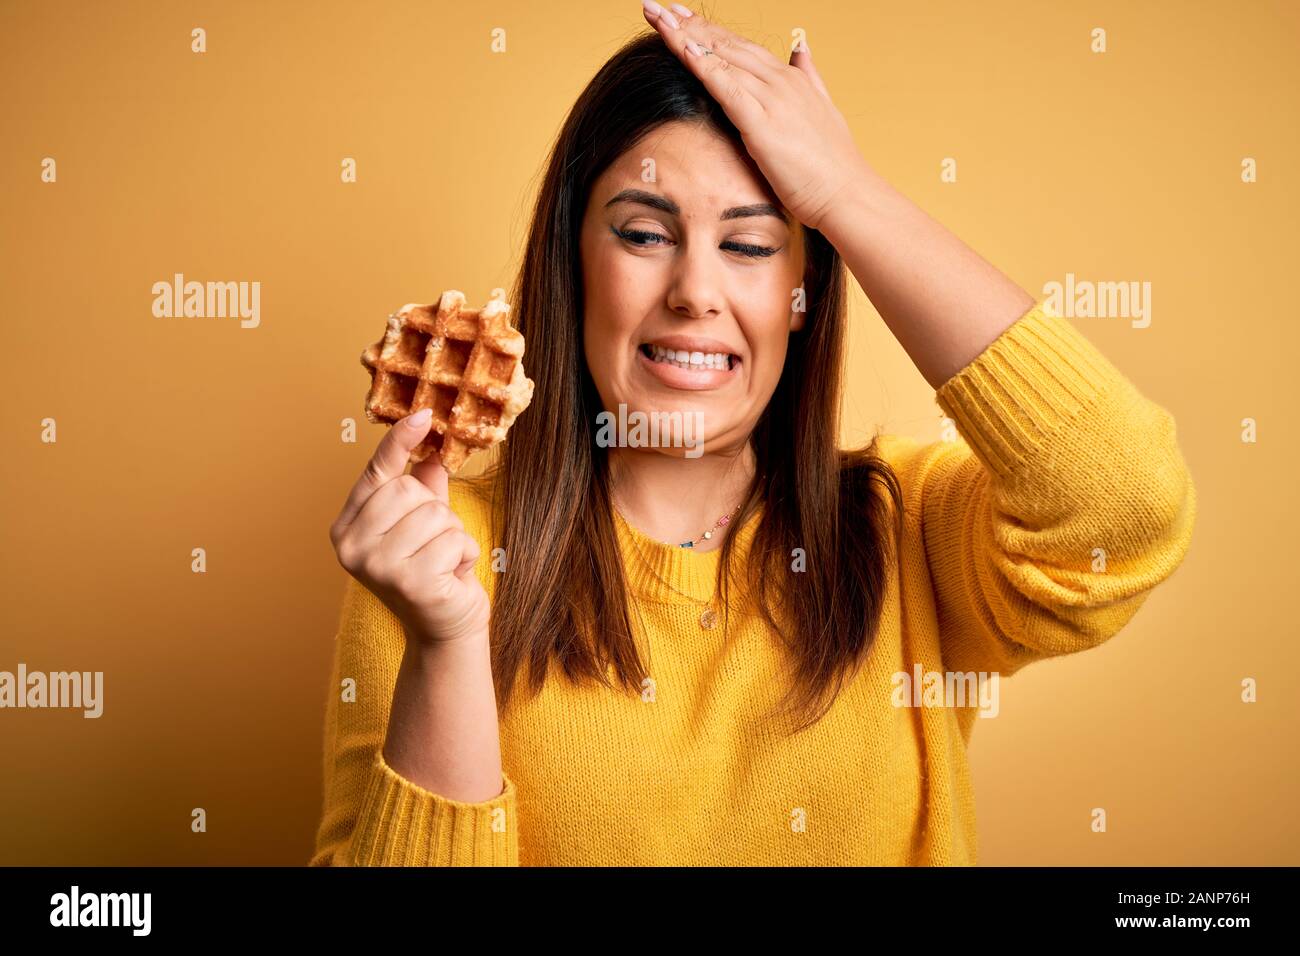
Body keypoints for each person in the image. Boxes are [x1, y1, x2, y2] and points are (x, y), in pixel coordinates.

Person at [310, 3, 1197, 866]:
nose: (696, 291)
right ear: (573, 264)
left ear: (804, 297)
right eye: (645, 233)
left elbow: (1125, 505)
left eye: (750, 246)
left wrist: (845, 193)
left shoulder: (909, 531)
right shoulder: (441, 558)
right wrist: (447, 645)